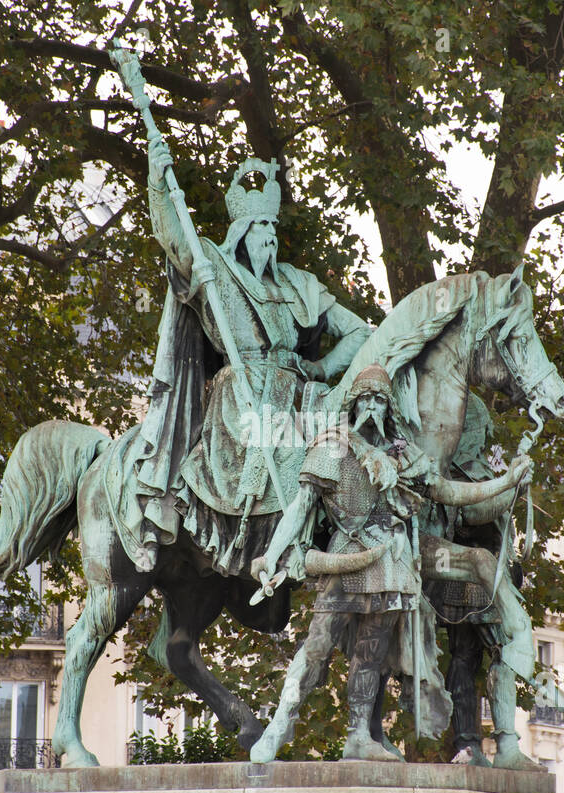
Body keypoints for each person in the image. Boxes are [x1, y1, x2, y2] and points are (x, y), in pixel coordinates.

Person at [248, 365, 532, 762]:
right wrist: (272, 553)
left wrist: (507, 482)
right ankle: (279, 725)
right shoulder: (333, 445)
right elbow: (301, 507)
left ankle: (359, 736)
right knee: (315, 647)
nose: (370, 406)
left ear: (387, 407)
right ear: (353, 404)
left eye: (378, 399)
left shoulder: (405, 454)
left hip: (393, 566)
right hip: (345, 559)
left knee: (370, 656)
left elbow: (449, 492)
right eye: (364, 398)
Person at [116, 145, 372, 576]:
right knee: (274, 437)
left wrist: (323, 368)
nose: (270, 233)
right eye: (260, 224)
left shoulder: (298, 282)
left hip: (298, 394)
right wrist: (158, 185)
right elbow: (177, 243)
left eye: (273, 224)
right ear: (241, 229)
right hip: (242, 397)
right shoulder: (213, 264)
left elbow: (361, 331)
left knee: (350, 445)